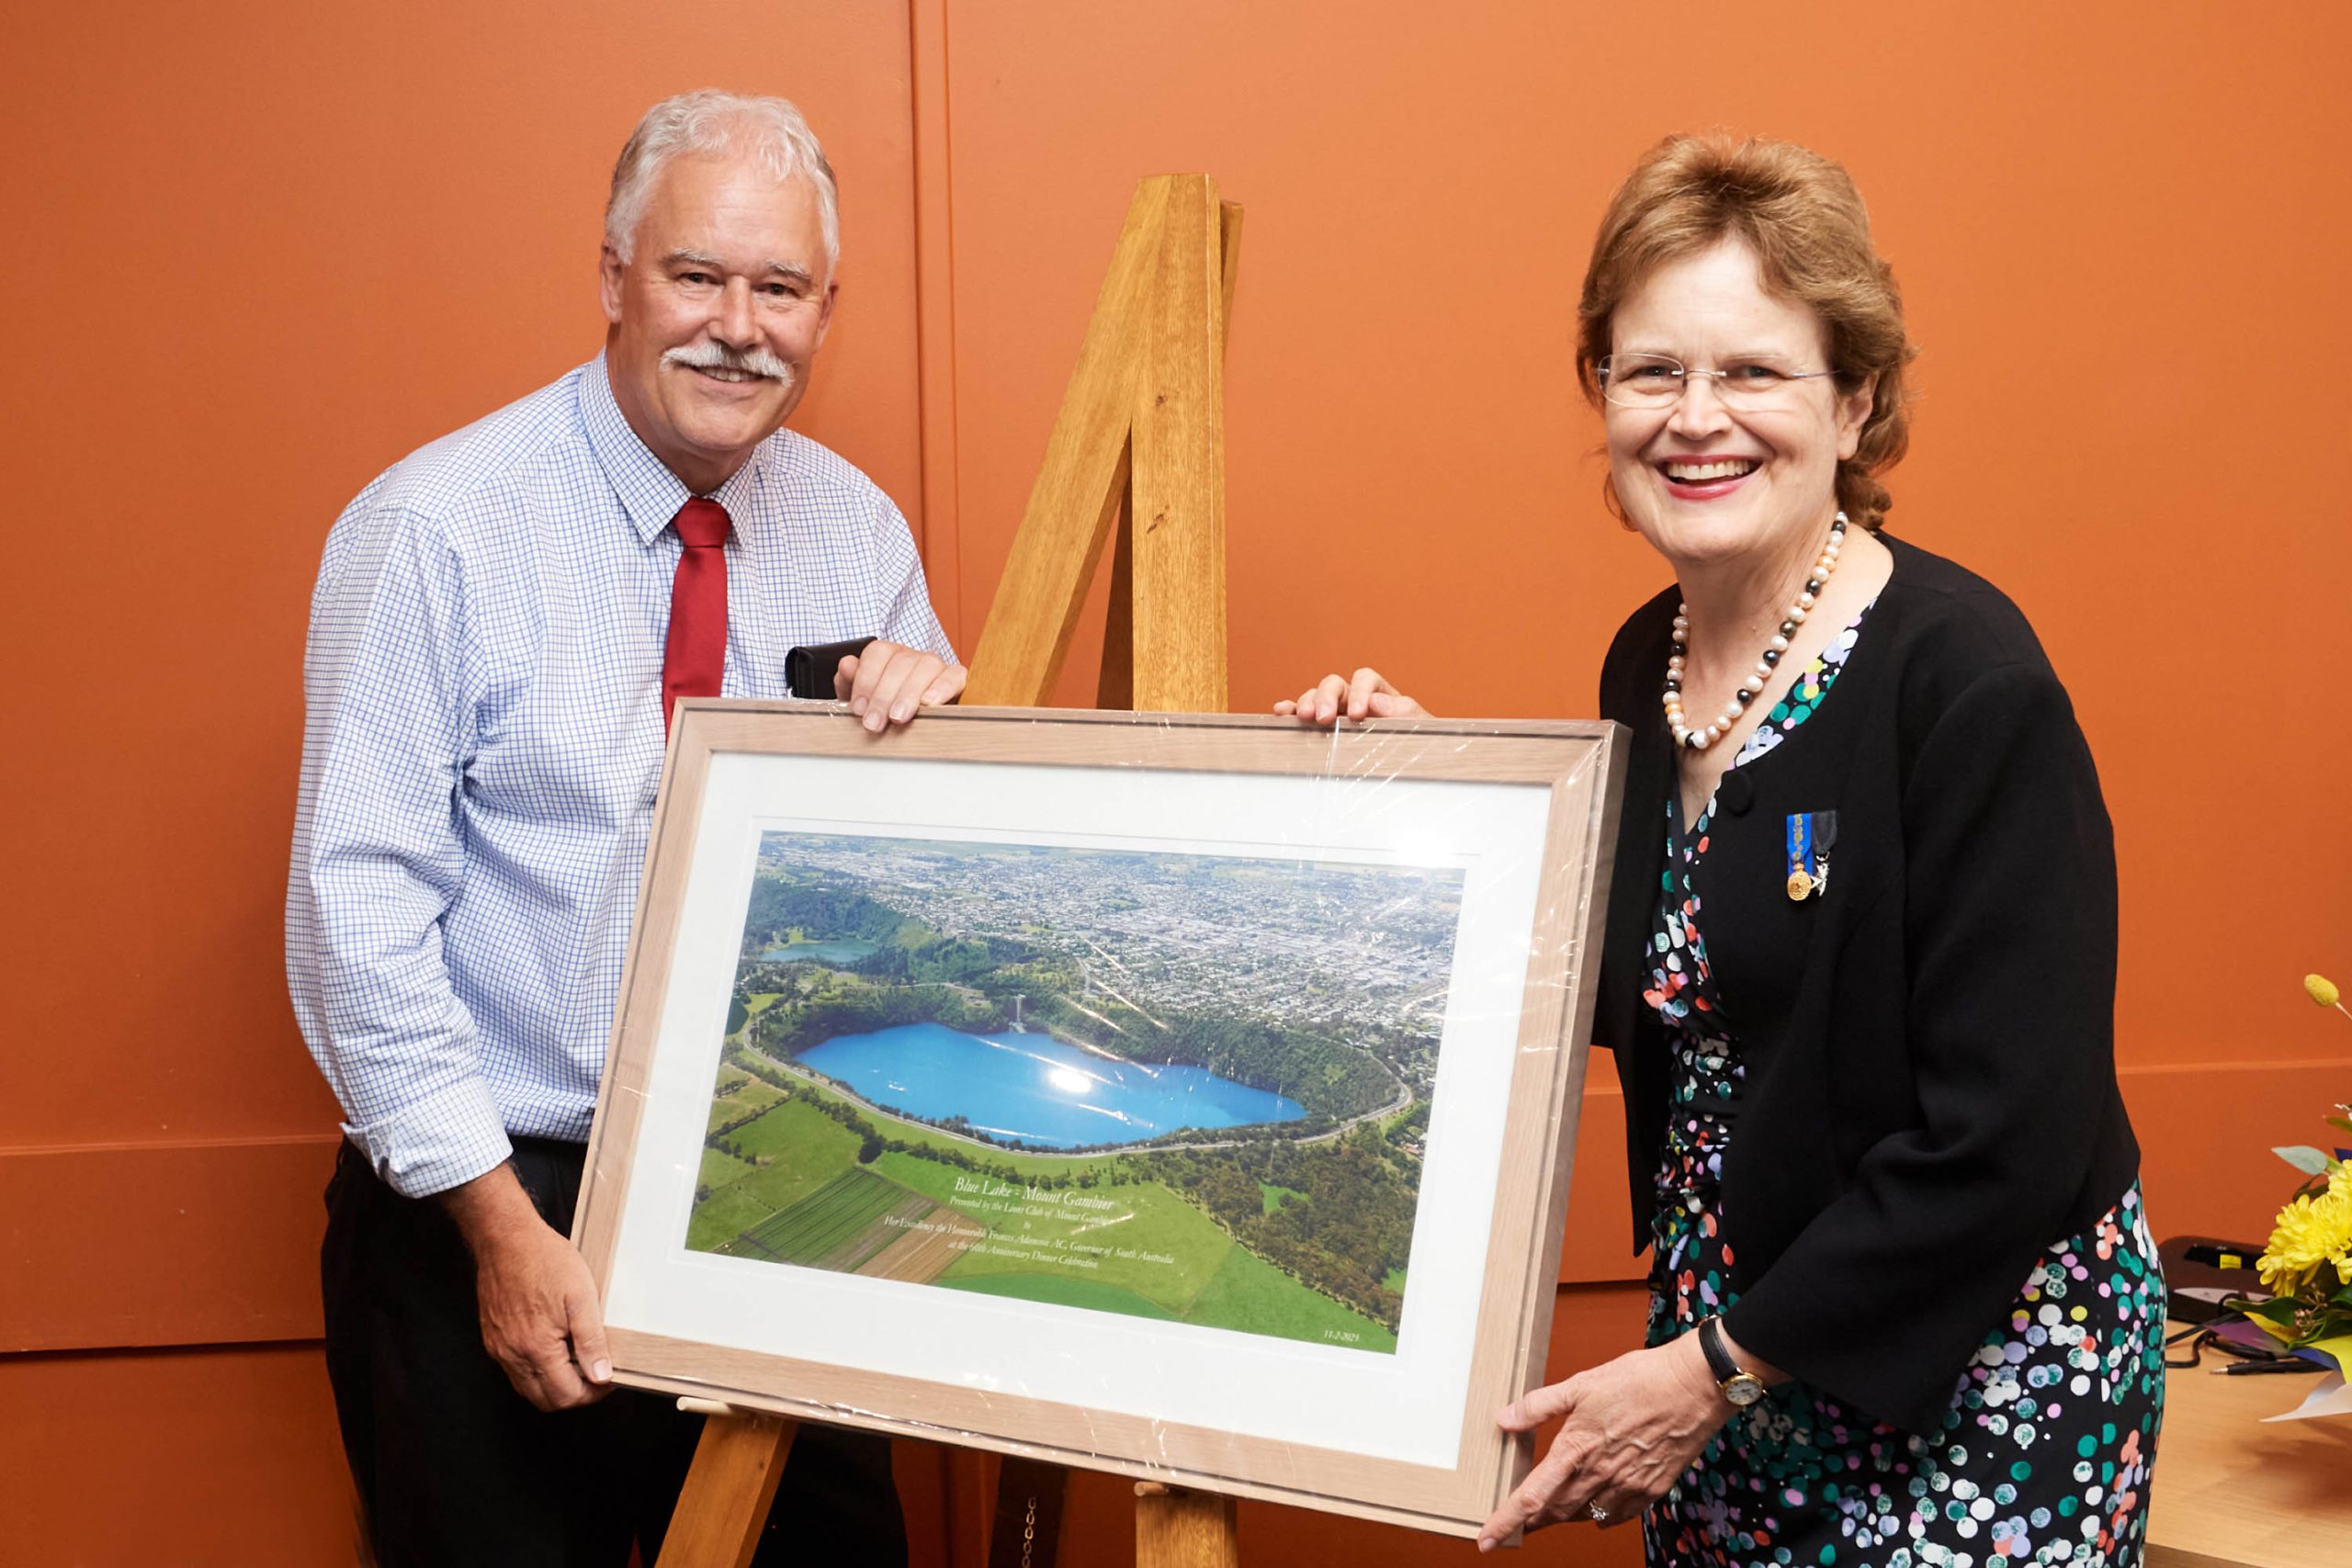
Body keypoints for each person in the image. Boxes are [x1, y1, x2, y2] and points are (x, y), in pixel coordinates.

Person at [1283, 133, 2165, 1565]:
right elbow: (1644, 978)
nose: (1699, 419)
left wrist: (1711, 1371)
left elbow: (2010, 1138)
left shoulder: (1966, 682)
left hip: (1973, 1390)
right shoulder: (1650, 657)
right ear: (1604, 393)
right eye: (1653, 372)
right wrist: (1440, 795)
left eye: (1753, 371)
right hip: (1733, 1366)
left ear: (1857, 397)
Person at [287, 89, 963, 1567]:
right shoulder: (435, 529)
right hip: (495, 1193)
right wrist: (501, 1232)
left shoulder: (860, 533)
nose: (739, 326)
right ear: (611, 276)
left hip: (766, 1198)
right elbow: (359, 916)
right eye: (696, 276)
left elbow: (924, 881)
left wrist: (942, 738)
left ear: (824, 307)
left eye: (779, 289)